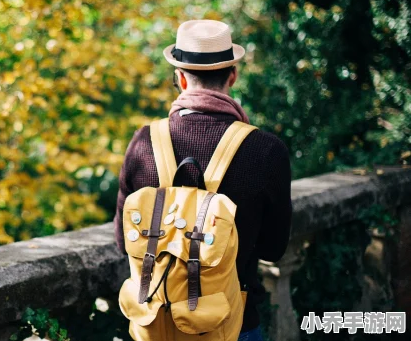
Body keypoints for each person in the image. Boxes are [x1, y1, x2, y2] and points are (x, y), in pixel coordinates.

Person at [114, 20, 292, 341]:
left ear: (180, 79)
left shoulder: (143, 143)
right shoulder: (266, 151)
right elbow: (273, 249)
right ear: (233, 76)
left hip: (157, 327)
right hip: (231, 325)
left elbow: (121, 242)